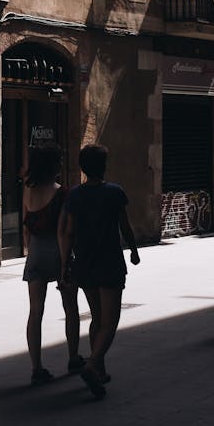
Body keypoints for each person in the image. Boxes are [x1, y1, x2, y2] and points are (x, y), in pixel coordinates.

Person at [59, 144, 140, 399]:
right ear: (103, 166)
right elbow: (125, 226)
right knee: (110, 321)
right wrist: (134, 250)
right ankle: (93, 364)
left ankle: (100, 370)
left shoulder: (74, 195)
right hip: (110, 262)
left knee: (96, 317)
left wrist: (65, 265)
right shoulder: (115, 192)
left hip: (84, 263)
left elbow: (69, 232)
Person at [21, 145, 82, 385]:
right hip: (58, 253)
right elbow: (62, 232)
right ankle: (74, 357)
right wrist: (66, 265)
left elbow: (26, 227)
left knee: (35, 311)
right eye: (59, 161)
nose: (61, 165)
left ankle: (36, 367)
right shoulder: (62, 193)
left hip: (36, 253)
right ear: (53, 165)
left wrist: (30, 253)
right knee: (70, 307)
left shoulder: (28, 190)